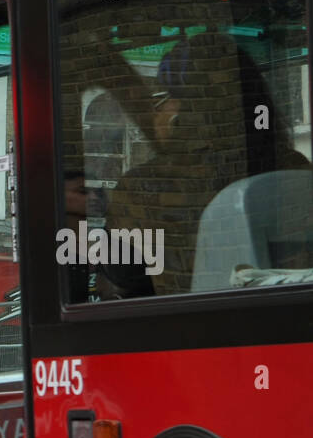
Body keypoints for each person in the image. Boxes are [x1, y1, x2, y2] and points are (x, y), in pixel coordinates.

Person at [102, 32, 309, 297]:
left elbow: (125, 277)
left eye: (166, 95)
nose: (158, 107)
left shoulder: (142, 189)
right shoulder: (293, 168)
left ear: (184, 109)